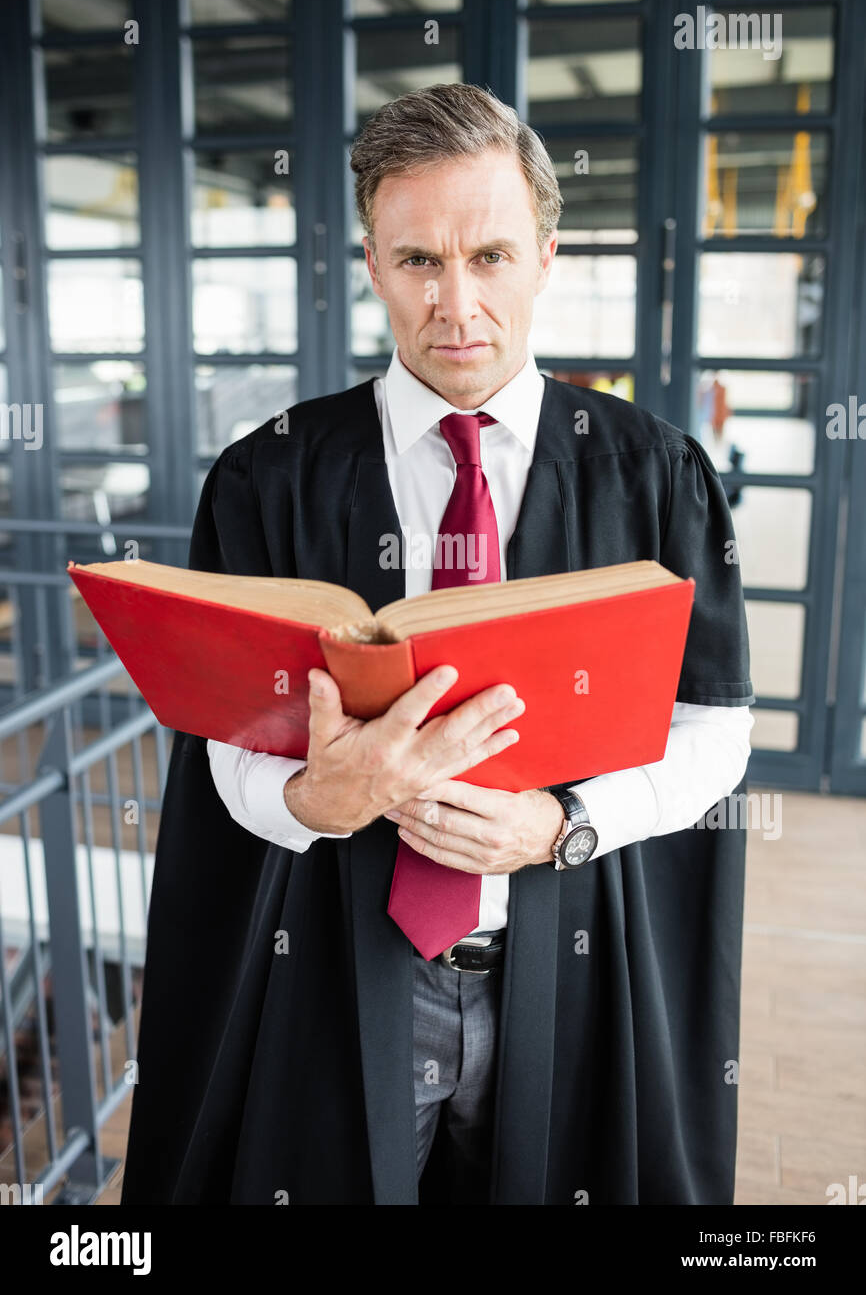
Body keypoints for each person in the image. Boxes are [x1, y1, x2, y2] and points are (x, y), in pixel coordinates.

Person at [120, 83, 755, 1207]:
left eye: (490, 256)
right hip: (331, 956)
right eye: (418, 260)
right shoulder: (268, 473)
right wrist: (321, 796)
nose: (455, 304)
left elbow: (714, 727)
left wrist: (560, 824)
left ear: (546, 256)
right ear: (370, 263)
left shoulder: (654, 472)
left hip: (570, 955)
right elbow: (222, 744)